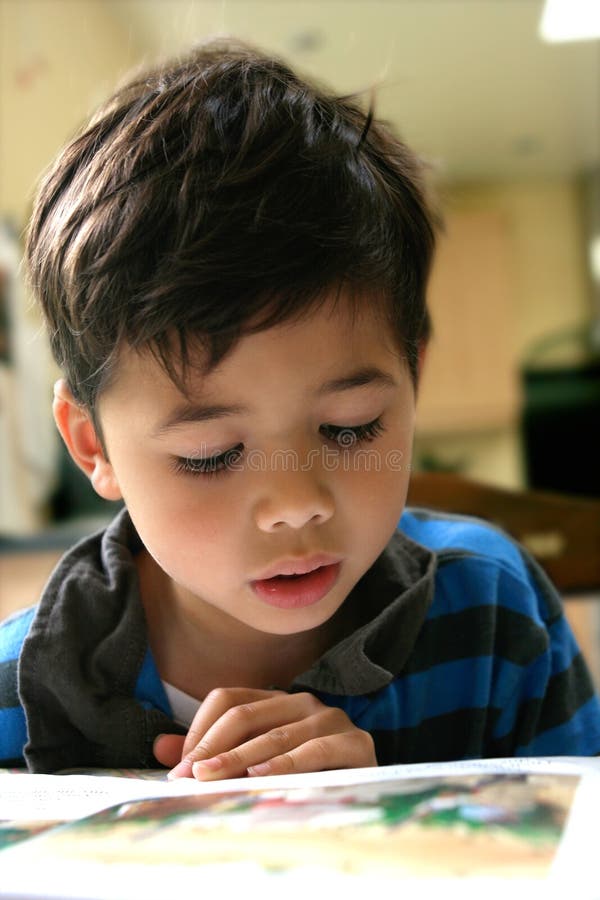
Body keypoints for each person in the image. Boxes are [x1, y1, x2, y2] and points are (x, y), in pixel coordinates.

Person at [1, 39, 599, 776]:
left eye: (351, 429)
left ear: (412, 379)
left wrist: (383, 814)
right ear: (92, 446)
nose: (295, 504)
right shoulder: (16, 698)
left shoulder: (494, 617)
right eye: (210, 454)